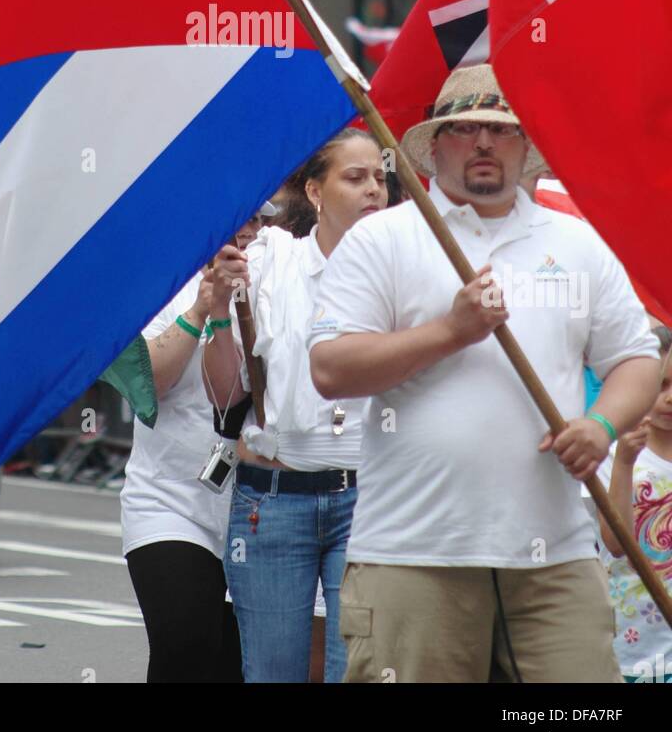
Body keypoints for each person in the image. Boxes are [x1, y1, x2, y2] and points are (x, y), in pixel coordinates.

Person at [310, 62, 661, 684]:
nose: (482, 143)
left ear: (525, 146)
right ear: (435, 143)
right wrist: (451, 332)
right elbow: (332, 368)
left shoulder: (578, 243)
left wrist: (602, 425)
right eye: (465, 127)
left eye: (501, 130)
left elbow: (634, 359)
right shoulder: (384, 239)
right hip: (414, 551)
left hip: (556, 553)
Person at [204, 128, 391, 683]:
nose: (374, 191)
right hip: (271, 503)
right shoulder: (267, 265)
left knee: (351, 672)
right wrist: (217, 306)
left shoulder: (408, 268)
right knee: (272, 673)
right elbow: (224, 395)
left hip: (368, 502)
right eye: (355, 178)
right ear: (313, 191)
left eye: (380, 178)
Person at [120, 214, 269, 684]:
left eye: (258, 221)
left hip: (260, 506)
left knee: (235, 662)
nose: (246, 233)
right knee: (185, 647)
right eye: (236, 221)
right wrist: (204, 308)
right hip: (170, 501)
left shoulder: (281, 279)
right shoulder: (159, 282)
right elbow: (152, 381)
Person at [593, 332, 672, 683]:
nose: (669, 399)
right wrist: (625, 462)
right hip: (631, 649)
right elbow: (615, 542)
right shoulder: (612, 456)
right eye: (661, 385)